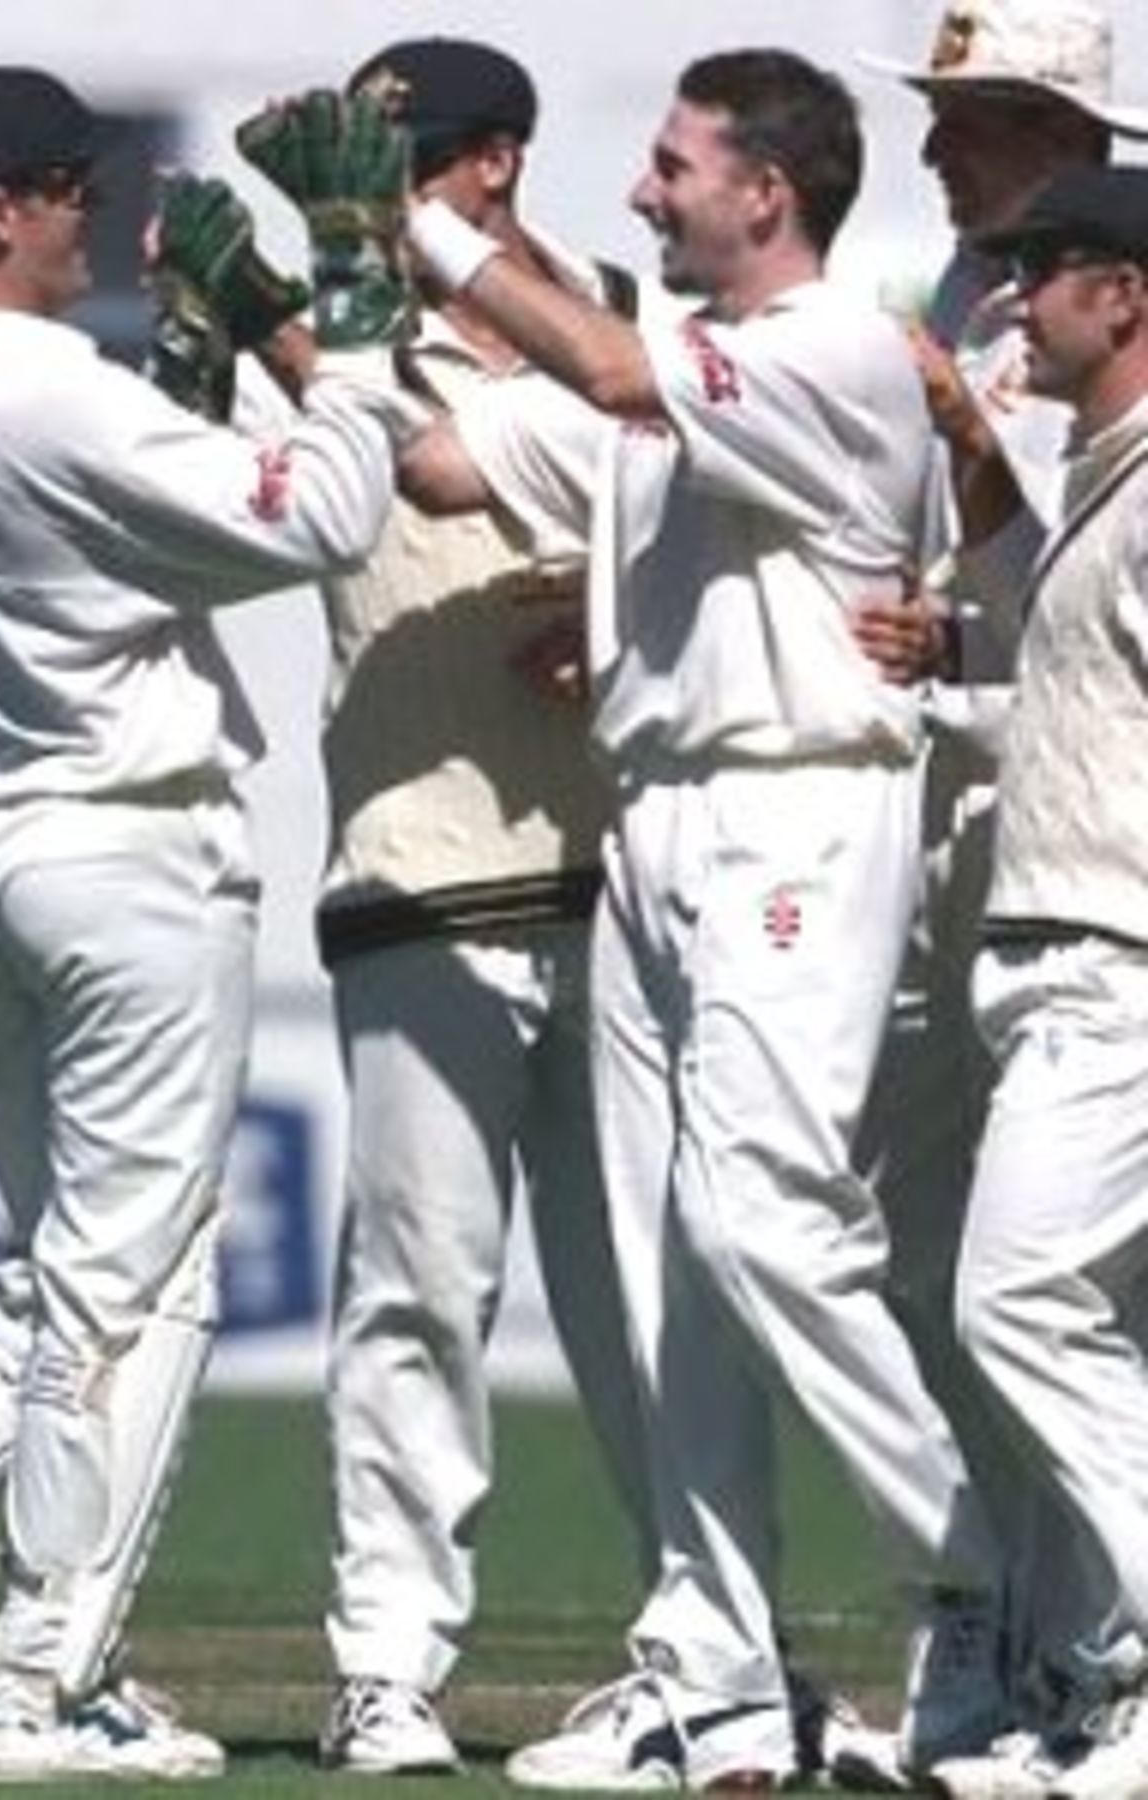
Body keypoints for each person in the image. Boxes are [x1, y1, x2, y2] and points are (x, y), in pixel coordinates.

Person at [362, 46, 1011, 1788]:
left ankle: (991, 1589)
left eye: (669, 166)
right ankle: (714, 1690)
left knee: (770, 1228)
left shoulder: (838, 356)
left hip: (803, 806)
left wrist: (422, 226)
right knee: (672, 1284)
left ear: (764, 193)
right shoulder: (667, 393)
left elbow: (607, 366)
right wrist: (285, 314)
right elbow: (439, 466)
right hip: (656, 825)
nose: (642, 194)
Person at [0, 62, 395, 1781]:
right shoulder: (44, 392)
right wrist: (351, 280)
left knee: (56, 1287)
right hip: (125, 863)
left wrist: (196, 367)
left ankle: (58, 1667)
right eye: (63, 183)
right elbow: (327, 514)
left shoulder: (21, 402)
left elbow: (139, 540)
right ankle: (45, 1687)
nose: (88, 211)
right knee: (131, 1297)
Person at [261, 37, 658, 1775]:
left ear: (490, 164)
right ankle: (389, 1668)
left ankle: (702, 1656)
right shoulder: (325, 332)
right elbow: (374, 478)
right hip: (418, 865)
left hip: (632, 875)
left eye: (399, 153)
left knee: (656, 1295)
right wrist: (267, 321)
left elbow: (693, 520)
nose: (370, 181)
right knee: (419, 1291)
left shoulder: (628, 310)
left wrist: (608, 606)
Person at [848, 3, 1148, 1778]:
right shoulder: (1095, 452)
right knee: (1019, 1300)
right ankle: (1066, 1682)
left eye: (1048, 263)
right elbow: (1073, 654)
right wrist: (965, 652)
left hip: (1112, 935)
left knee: (1023, 1302)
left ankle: (1110, 1666)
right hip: (1032, 901)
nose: (946, 153)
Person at [920, 160, 1148, 1800]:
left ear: (1125, 292)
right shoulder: (1107, 486)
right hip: (1060, 957)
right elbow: (1086, 725)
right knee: (1071, 1326)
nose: (1010, 299)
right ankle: (1090, 1708)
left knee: (1016, 1297)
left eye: (1043, 270)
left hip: (1122, 967)